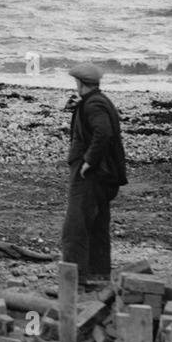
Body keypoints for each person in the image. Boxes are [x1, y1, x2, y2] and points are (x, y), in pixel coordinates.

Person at [61, 63, 128, 285]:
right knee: (98, 223)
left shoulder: (94, 105)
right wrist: (77, 107)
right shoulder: (96, 101)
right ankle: (99, 274)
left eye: (76, 83)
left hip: (91, 174)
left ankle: (74, 279)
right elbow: (97, 126)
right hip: (105, 175)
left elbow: (104, 132)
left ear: (80, 83)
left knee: (75, 226)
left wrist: (89, 161)